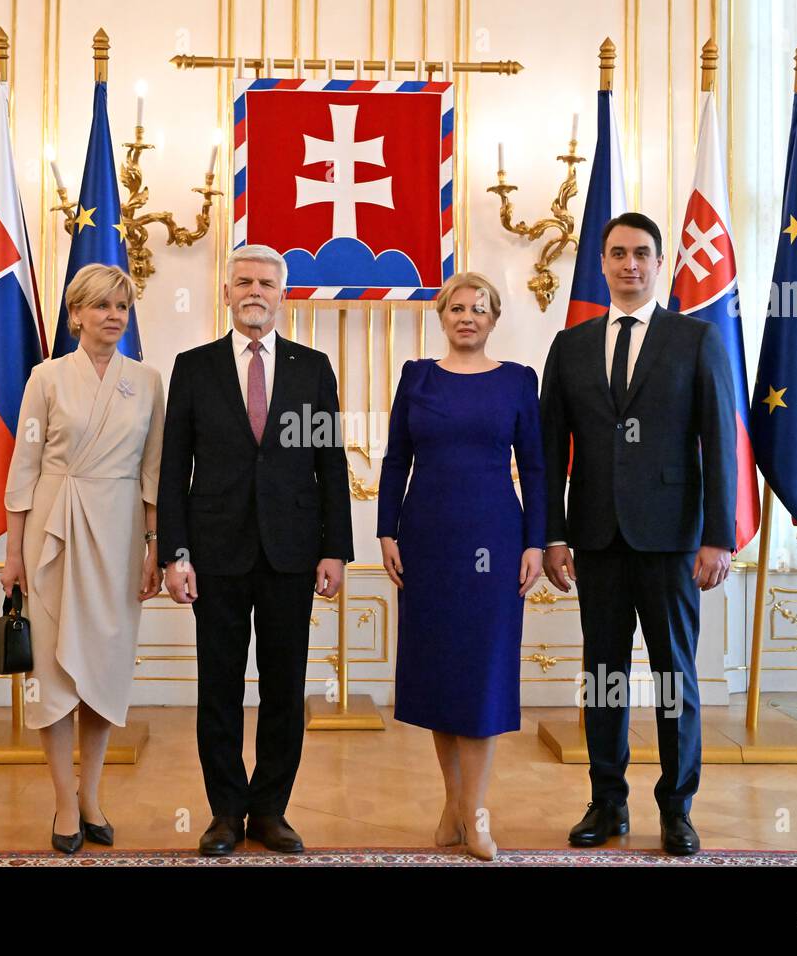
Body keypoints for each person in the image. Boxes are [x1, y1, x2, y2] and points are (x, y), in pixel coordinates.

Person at [540, 212, 736, 856]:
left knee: (675, 676)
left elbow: (720, 442)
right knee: (604, 676)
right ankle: (607, 802)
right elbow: (549, 448)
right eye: (617, 253)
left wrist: (719, 536)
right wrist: (553, 534)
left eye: (642, 254)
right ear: (601, 262)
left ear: (658, 266)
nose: (629, 264)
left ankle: (677, 808)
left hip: (674, 538)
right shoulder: (570, 346)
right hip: (595, 538)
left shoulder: (696, 338)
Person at [157, 244, 354, 857]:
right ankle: (223, 813)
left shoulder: (313, 367)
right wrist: (175, 553)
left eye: (267, 283)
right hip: (214, 554)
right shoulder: (193, 367)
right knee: (218, 688)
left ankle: (270, 811)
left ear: (282, 294)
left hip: (292, 555)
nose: (255, 291)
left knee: (283, 688)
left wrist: (336, 549)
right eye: (243, 280)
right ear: (226, 292)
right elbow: (172, 472)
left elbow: (331, 462)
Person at [377, 272, 546, 861]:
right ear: (441, 316)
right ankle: (455, 803)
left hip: (496, 539)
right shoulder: (416, 377)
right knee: (438, 674)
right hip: (427, 540)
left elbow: (538, 467)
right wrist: (385, 530)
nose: (467, 316)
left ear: (494, 318)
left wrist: (535, 541)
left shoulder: (518, 382)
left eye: (479, 308)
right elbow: (397, 458)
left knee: (480, 675)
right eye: (456, 307)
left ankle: (474, 812)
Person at [1, 263, 165, 854]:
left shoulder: (147, 381)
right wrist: (13, 551)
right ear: (76, 315)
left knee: (102, 667)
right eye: (101, 306)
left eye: (121, 306)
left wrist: (153, 545)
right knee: (53, 670)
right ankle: (64, 803)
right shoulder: (45, 378)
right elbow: (23, 466)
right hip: (53, 530)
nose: (113, 316)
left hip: (119, 534)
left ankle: (93, 794)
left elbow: (153, 473)